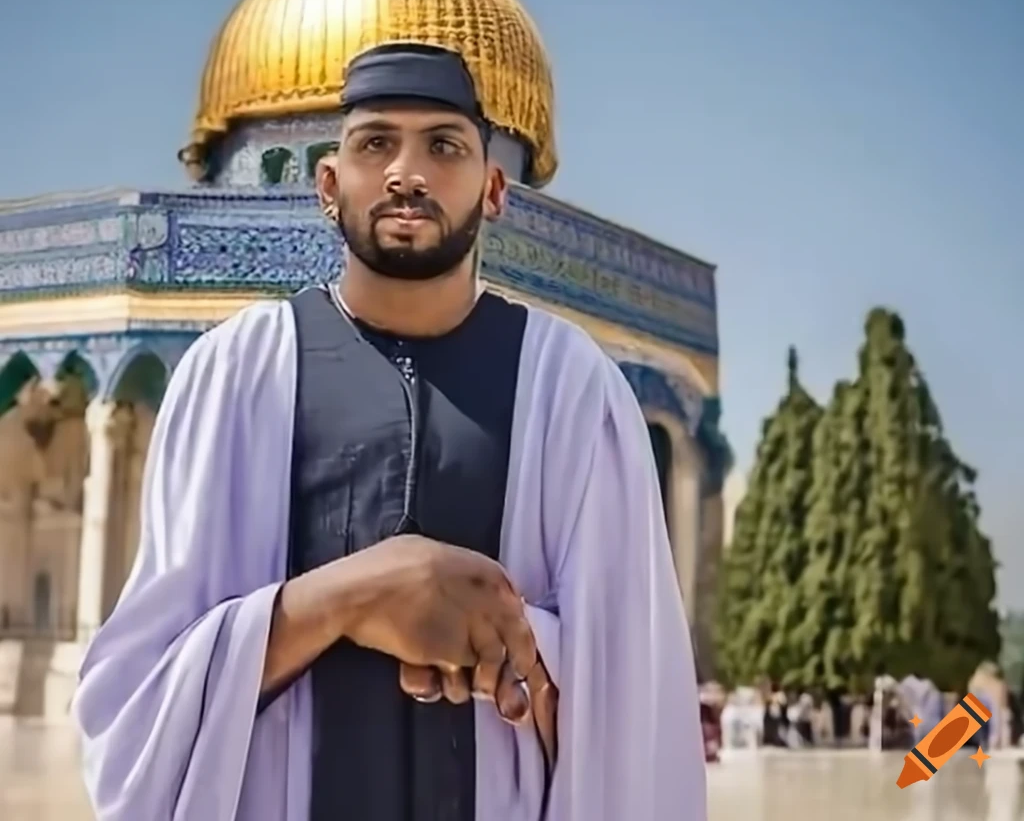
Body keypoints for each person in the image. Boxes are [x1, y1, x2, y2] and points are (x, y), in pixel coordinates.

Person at [71, 42, 706, 821]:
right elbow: (134, 702)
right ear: (329, 185)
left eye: (444, 145)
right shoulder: (235, 374)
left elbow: (639, 699)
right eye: (376, 143)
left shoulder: (572, 387)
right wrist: (350, 598)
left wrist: (497, 639)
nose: (408, 173)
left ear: (495, 188)